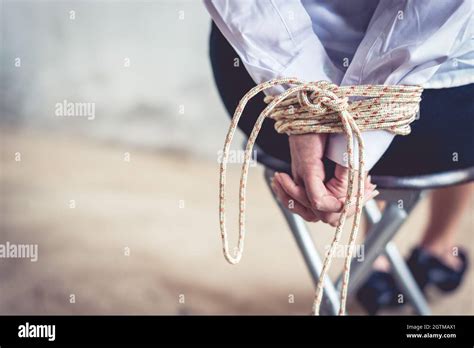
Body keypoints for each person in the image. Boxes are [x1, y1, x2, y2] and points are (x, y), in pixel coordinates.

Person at [205, 0, 473, 314]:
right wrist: (351, 147)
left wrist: (301, 108)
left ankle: (376, 261)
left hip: (261, 94)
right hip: (438, 112)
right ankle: (437, 246)